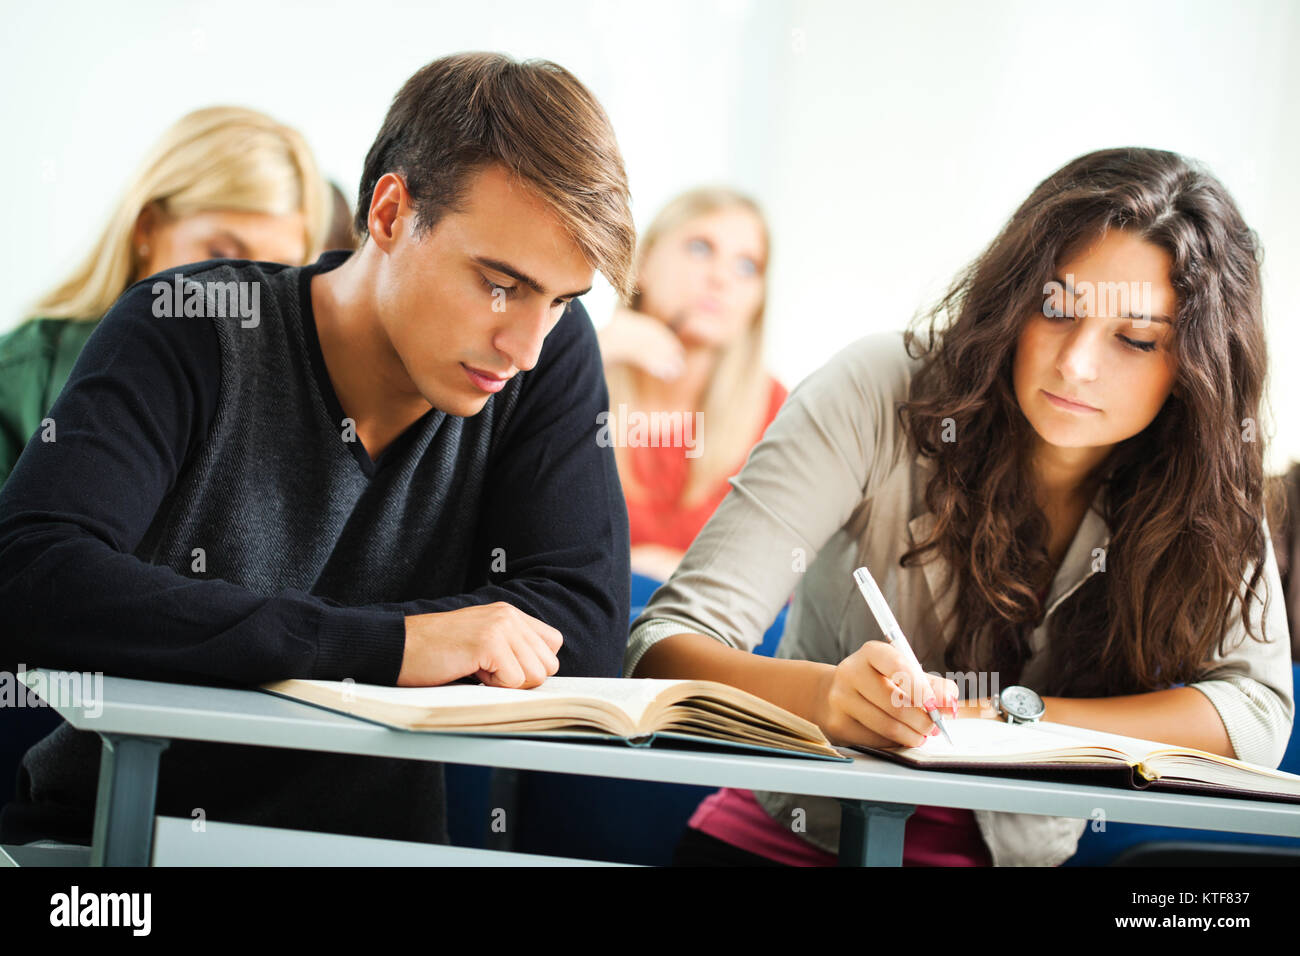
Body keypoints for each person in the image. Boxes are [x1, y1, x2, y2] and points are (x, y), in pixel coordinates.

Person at [0, 51, 636, 848]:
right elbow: (31, 573)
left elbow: (582, 634)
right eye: (499, 284)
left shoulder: (546, 355)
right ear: (390, 213)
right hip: (116, 842)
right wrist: (395, 646)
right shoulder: (189, 324)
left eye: (562, 299)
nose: (527, 345)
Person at [625, 147, 1294, 866]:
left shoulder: (1203, 467)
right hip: (784, 847)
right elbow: (665, 645)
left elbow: (1257, 713)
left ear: (1197, 366)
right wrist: (827, 699)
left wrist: (1016, 718)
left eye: (1135, 340)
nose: (1077, 364)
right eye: (1055, 309)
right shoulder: (879, 388)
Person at [0, 105, 333, 486]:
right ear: (146, 229)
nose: (245, 297)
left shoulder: (306, 415)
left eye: (277, 273)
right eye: (221, 257)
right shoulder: (15, 385)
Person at [597, 189, 786, 583]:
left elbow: (780, 581)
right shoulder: (583, 375)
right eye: (701, 248)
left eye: (747, 266)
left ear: (757, 300)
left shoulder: (776, 413)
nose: (720, 278)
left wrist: (656, 566)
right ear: (643, 264)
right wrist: (587, 355)